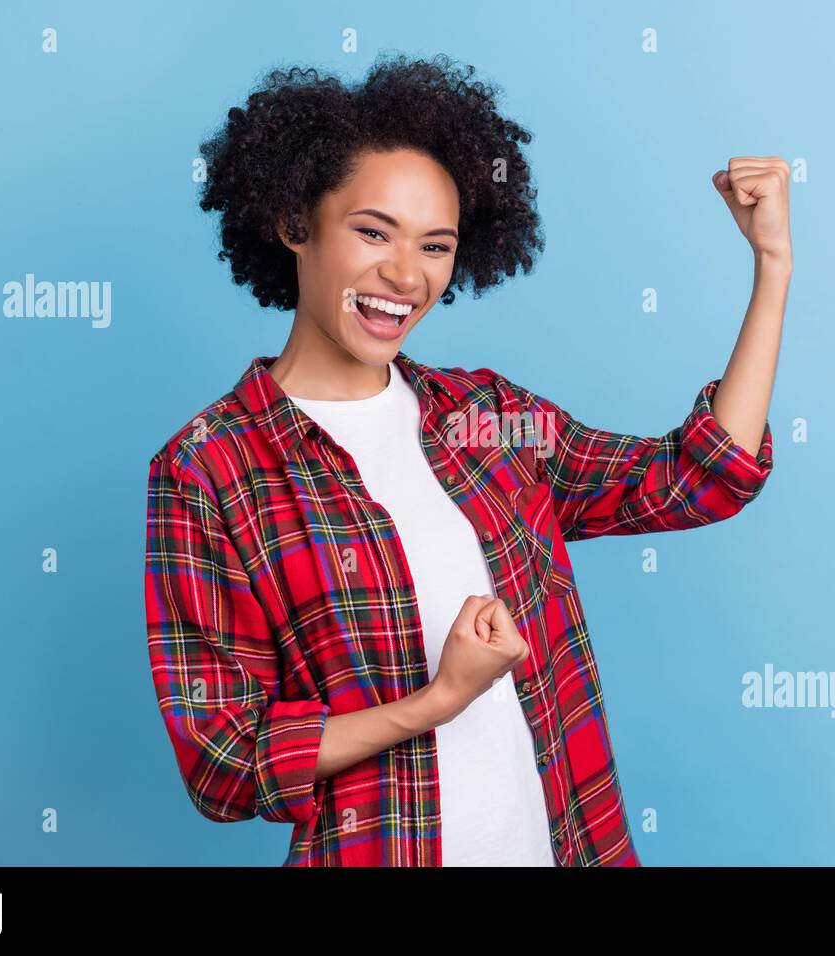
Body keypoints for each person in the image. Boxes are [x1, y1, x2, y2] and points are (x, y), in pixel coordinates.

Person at [143, 53, 790, 866]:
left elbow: (699, 478)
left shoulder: (485, 422)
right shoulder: (211, 470)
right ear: (294, 222)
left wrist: (772, 267)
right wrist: (436, 701)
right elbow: (224, 762)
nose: (404, 275)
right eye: (372, 231)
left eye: (435, 245)